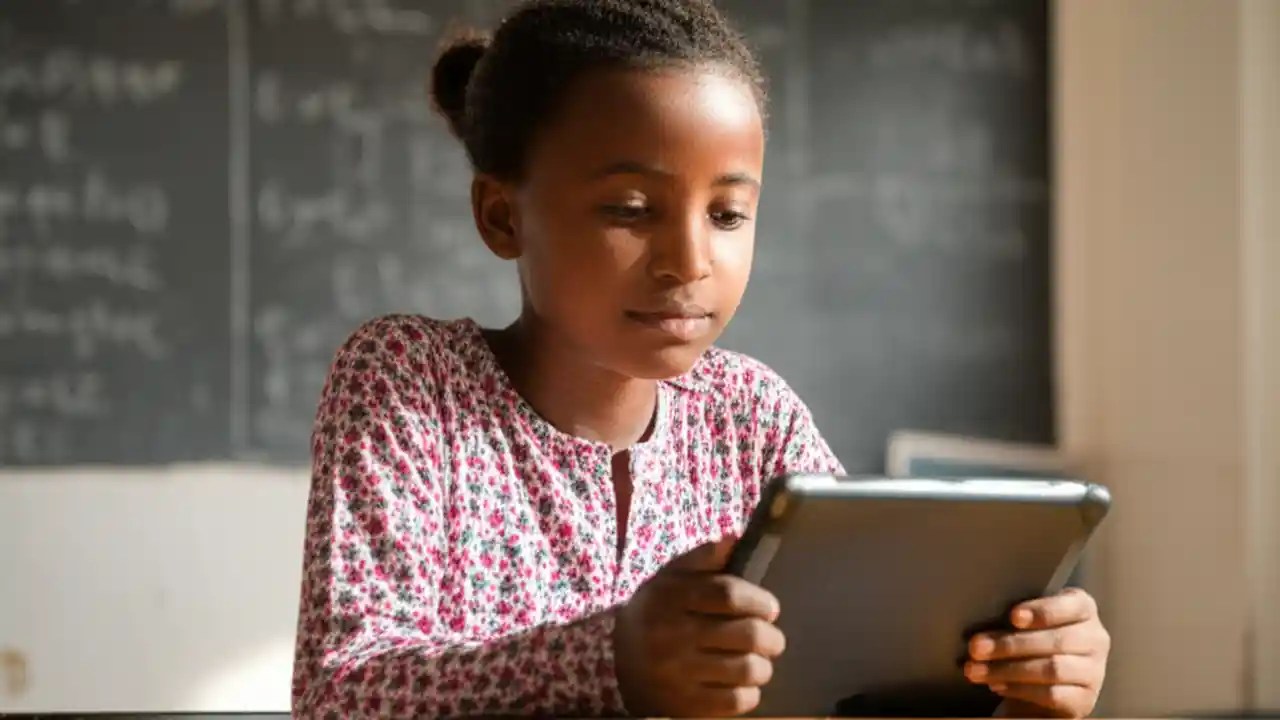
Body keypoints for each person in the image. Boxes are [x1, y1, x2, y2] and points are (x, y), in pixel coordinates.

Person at [290, 1, 1111, 717]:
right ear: (502, 217)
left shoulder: (752, 414)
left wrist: (1010, 692)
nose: (689, 260)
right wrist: (610, 660)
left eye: (726, 213)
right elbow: (342, 693)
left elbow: (854, 691)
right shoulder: (408, 379)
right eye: (631, 208)